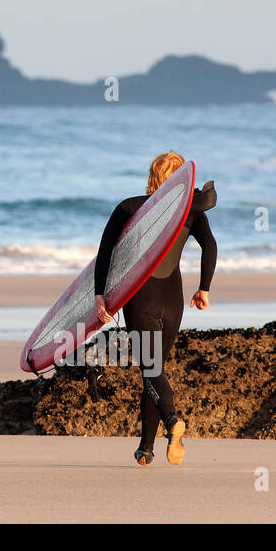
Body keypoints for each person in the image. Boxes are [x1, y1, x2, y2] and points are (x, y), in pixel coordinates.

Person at [92, 151, 216, 466]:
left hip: (141, 297)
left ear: (152, 178)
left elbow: (105, 252)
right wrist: (204, 288)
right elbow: (210, 246)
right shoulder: (193, 212)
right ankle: (146, 448)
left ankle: (173, 423)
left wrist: (99, 296)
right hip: (173, 299)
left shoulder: (129, 208)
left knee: (151, 370)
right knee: (154, 369)